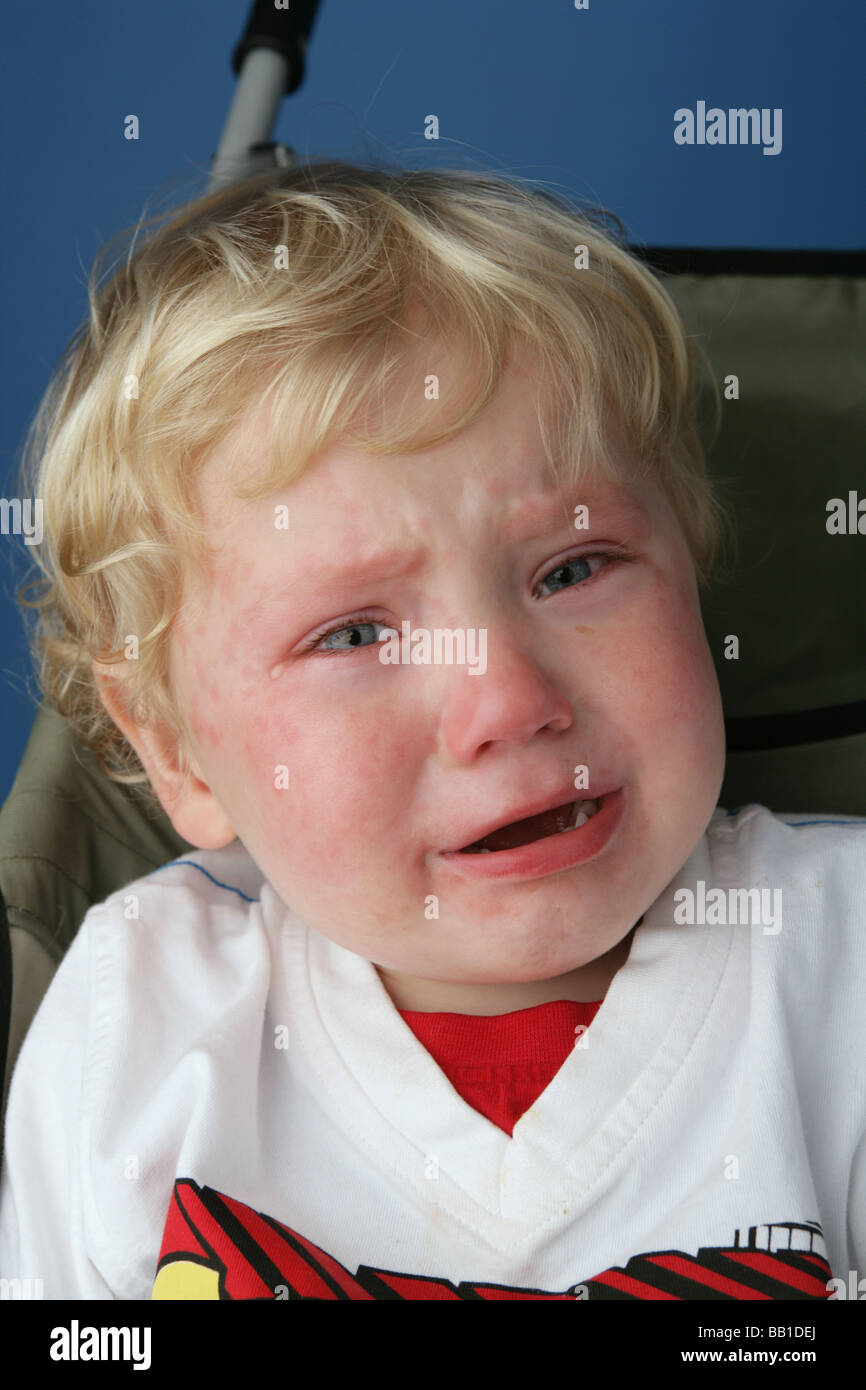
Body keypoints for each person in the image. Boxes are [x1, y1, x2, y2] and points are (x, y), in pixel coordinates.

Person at [1, 161, 863, 1300]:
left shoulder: (833, 970)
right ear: (175, 754)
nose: (506, 698)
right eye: (354, 635)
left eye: (572, 567)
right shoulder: (137, 1029)